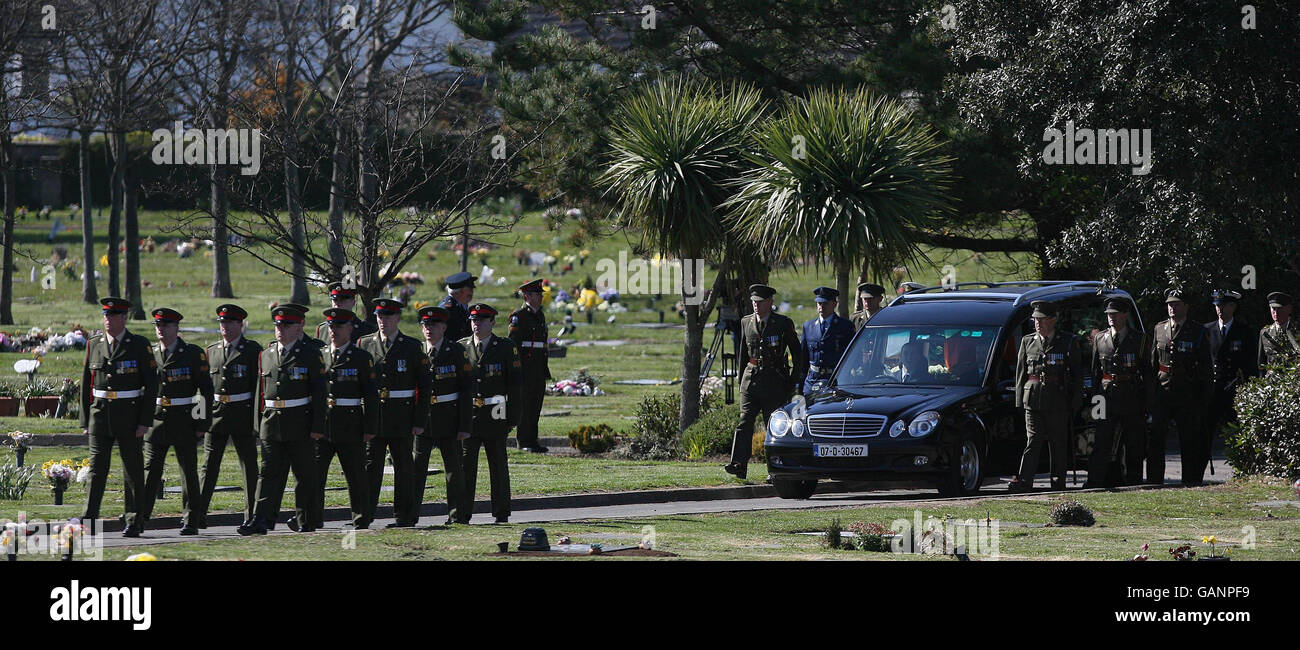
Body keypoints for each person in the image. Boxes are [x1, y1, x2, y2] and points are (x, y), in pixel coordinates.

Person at [238, 303, 327, 535]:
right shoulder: (266, 354)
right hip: (271, 423)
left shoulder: (310, 354)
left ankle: (305, 519)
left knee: (304, 474)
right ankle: (261, 519)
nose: (281, 329)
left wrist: (318, 426)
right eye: (278, 325)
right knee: (267, 473)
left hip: (300, 422)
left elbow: (319, 393)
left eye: (287, 325)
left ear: (300, 327)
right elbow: (260, 392)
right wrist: (258, 424)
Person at [80, 297, 158, 538]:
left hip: (129, 416)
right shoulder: (95, 344)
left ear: (124, 318)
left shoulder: (139, 345)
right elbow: (86, 384)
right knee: (96, 470)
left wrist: (145, 421)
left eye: (112, 316)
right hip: (100, 416)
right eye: (105, 315)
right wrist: (85, 420)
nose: (107, 320)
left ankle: (134, 520)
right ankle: (89, 519)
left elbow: (151, 386)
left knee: (132, 471)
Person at [138, 308, 214, 536]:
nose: (161, 329)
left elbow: (205, 391)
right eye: (158, 325)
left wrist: (201, 423)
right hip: (157, 420)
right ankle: (140, 517)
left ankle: (191, 519)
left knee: (188, 473)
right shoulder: (150, 354)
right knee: (150, 471)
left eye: (166, 325)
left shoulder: (192, 353)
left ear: (176, 328)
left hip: (184, 420)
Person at [358, 298, 431, 528]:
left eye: (388, 316)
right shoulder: (365, 344)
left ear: (398, 318)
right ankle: (364, 516)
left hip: (403, 417)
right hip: (375, 417)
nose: (383, 321)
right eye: (380, 316)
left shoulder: (411, 346)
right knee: (371, 469)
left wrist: (420, 420)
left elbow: (424, 386)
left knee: (404, 470)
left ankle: (404, 517)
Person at [726, 284, 803, 480]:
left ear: (770, 302)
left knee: (774, 425)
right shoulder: (746, 322)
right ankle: (738, 464)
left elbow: (797, 353)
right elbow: (742, 353)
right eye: (754, 302)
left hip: (774, 381)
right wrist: (741, 378)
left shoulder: (783, 323)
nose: (756, 306)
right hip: (751, 381)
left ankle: (774, 469)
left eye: (760, 302)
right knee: (744, 421)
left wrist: (792, 381)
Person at [195, 304, 261, 530]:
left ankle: (251, 515)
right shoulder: (211, 351)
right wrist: (201, 419)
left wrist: (257, 421)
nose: (225, 326)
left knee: (249, 467)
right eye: (222, 322)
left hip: (243, 414)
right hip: (216, 416)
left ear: (240, 325)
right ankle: (198, 514)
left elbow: (258, 389)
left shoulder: (252, 351)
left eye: (230, 322)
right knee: (208, 467)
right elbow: (203, 390)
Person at [1008, 301, 1082, 493]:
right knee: (1033, 441)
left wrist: (1075, 401)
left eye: (1041, 319)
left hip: (1058, 399)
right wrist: (1019, 401)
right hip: (1032, 399)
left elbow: (1077, 374)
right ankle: (1025, 481)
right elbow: (1021, 373)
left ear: (1052, 319)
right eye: (1035, 319)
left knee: (1058, 443)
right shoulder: (1027, 341)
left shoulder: (1067, 341)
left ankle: (1058, 483)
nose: (1038, 323)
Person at [317, 308, 380, 529]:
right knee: (315, 476)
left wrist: (370, 427)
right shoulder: (320, 355)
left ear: (350, 329)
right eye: (331, 326)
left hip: (350, 423)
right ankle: (312, 518)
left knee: (356, 476)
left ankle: (361, 517)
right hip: (323, 424)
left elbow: (371, 396)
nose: (333, 331)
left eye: (338, 326)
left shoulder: (362, 357)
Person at [459, 303, 522, 523]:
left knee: (498, 464)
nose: (477, 325)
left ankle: (501, 511)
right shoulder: (462, 347)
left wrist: (512, 418)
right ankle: (462, 512)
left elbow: (514, 386)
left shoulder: (505, 347)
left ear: (492, 322)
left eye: (482, 320)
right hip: (470, 413)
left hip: (496, 409)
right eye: (474, 320)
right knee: (466, 466)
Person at [413, 306, 473, 525]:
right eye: (425, 325)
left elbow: (467, 391)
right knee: (416, 471)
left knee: (454, 471)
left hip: (449, 419)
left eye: (434, 325)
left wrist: (465, 425)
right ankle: (410, 516)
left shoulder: (456, 351)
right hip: (423, 421)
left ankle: (456, 516)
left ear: (444, 327)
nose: (429, 329)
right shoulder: (417, 351)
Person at [1148, 288, 1213, 487]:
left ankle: (1190, 481)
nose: (1172, 308)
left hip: (1188, 392)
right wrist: (1150, 395)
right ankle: (1154, 480)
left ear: (1186, 306)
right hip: (1163, 391)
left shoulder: (1198, 331)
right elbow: (1152, 364)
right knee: (1156, 438)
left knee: (1189, 439)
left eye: (1176, 304)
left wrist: (1203, 399)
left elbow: (1206, 369)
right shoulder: (1159, 329)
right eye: (1170, 305)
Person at [1085, 299, 1149, 488]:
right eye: (1108, 314)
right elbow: (1096, 372)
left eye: (1115, 314)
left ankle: (1134, 480)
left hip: (1131, 395)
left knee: (1133, 442)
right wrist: (1095, 401)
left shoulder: (1139, 339)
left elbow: (1147, 372)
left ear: (1125, 315)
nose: (1111, 318)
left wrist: (1146, 402)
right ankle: (1095, 481)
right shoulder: (1100, 339)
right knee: (1101, 441)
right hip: (1105, 397)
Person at [1203, 289, 1256, 477]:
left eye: (1224, 305)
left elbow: (1250, 364)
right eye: (1217, 305)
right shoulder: (1206, 330)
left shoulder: (1245, 332)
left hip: (1234, 390)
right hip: (1212, 389)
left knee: (1237, 432)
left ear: (1233, 307)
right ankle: (1198, 473)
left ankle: (1243, 471)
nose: (1220, 310)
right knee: (1205, 432)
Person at [508, 279, 551, 452]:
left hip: (538, 368)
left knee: (535, 405)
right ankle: (524, 441)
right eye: (537, 294)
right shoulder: (519, 316)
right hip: (525, 368)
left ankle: (533, 440)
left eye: (541, 294)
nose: (540, 297)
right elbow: (514, 344)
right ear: (527, 296)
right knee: (525, 407)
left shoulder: (539, 315)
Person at [801, 286, 855, 395]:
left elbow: (852, 356)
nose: (821, 307)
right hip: (812, 381)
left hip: (836, 380)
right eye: (819, 303)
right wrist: (800, 384)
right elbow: (803, 359)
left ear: (834, 304)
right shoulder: (808, 327)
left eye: (825, 303)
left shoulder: (845, 326)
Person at [1258, 291, 1298, 371]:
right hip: (1272, 381)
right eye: (1273, 308)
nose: (1276, 312)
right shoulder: (1265, 333)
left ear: (1289, 309)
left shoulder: (1296, 331)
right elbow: (1261, 363)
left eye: (1279, 308)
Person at [439, 271, 476, 344]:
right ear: (460, 292)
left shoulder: (462, 305)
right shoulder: (446, 310)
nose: (472, 292)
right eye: (469, 289)